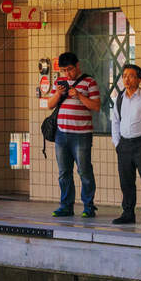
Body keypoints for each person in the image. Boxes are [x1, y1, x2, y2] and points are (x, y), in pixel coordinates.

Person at [44, 51, 99, 218]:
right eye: (63, 70)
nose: (67, 74)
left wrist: (79, 95)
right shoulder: (59, 82)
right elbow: (49, 105)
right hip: (62, 134)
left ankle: (88, 206)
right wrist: (58, 93)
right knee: (64, 172)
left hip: (82, 134)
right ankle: (66, 206)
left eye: (69, 69)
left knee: (84, 171)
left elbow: (96, 106)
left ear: (77, 66)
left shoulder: (89, 82)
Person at [110, 63, 141, 225]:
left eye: (131, 76)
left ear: (139, 79)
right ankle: (128, 213)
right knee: (126, 182)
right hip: (124, 145)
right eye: (124, 76)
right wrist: (117, 143)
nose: (126, 79)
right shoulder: (119, 98)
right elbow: (115, 122)